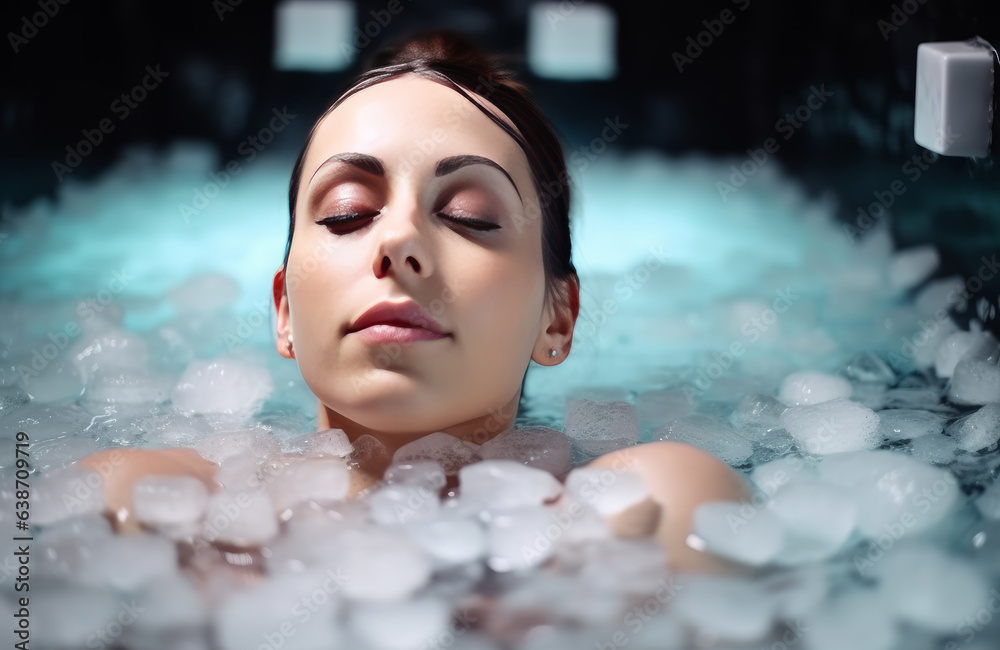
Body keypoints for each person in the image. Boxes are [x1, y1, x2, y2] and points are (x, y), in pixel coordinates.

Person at [78, 30, 749, 573]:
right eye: (347, 212)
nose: (399, 240)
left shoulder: (656, 510)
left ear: (558, 315)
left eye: (471, 215)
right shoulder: (127, 507)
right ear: (283, 311)